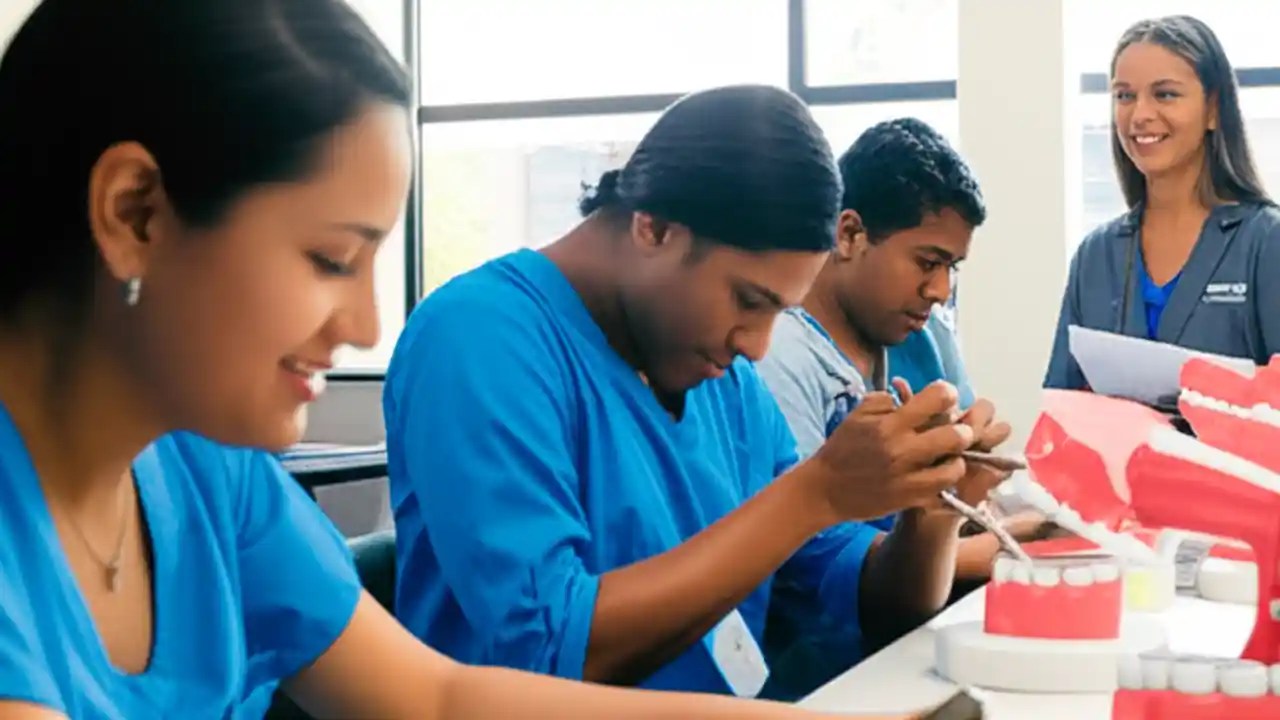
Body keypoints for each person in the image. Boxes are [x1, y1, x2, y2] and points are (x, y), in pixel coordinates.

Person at [0, 2, 922, 719]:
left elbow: (436, 698)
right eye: (330, 259)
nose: (363, 323)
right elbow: (528, 653)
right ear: (135, 215)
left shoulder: (207, 472)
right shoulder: (487, 336)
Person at [385, 84, 1003, 702]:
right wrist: (813, 494)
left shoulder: (720, 379)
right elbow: (545, 654)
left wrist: (930, 519)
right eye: (749, 300)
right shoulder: (481, 337)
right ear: (653, 228)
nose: (758, 347)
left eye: (780, 311)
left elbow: (870, 605)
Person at [752, 118, 1046, 697]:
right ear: (850, 234)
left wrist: (981, 502)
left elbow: (957, 492)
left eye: (952, 269)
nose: (940, 290)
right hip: (822, 673)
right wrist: (990, 546)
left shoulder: (923, 332)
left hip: (912, 636)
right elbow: (812, 569)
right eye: (927, 262)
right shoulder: (778, 358)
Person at [1044, 14, 1280, 391]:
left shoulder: (1266, 243)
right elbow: (1064, 408)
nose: (1140, 115)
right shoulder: (1096, 256)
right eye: (1124, 96)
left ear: (1214, 108)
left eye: (1165, 94)